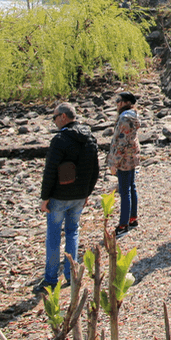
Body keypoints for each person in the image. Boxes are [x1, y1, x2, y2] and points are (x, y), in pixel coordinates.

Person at [38, 102, 99, 291]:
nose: (54, 121)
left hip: (59, 196)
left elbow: (50, 171)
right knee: (73, 233)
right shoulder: (89, 138)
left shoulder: (59, 140)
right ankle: (71, 275)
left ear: (63, 117)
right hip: (79, 195)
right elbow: (95, 170)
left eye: (54, 117)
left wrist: (44, 198)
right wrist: (87, 193)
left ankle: (50, 279)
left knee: (53, 237)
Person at [107, 91, 140, 236]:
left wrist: (114, 162)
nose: (116, 103)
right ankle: (132, 218)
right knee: (131, 187)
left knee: (125, 191)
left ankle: (123, 224)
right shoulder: (132, 116)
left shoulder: (125, 118)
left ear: (126, 103)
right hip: (131, 157)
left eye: (119, 100)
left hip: (124, 160)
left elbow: (121, 143)